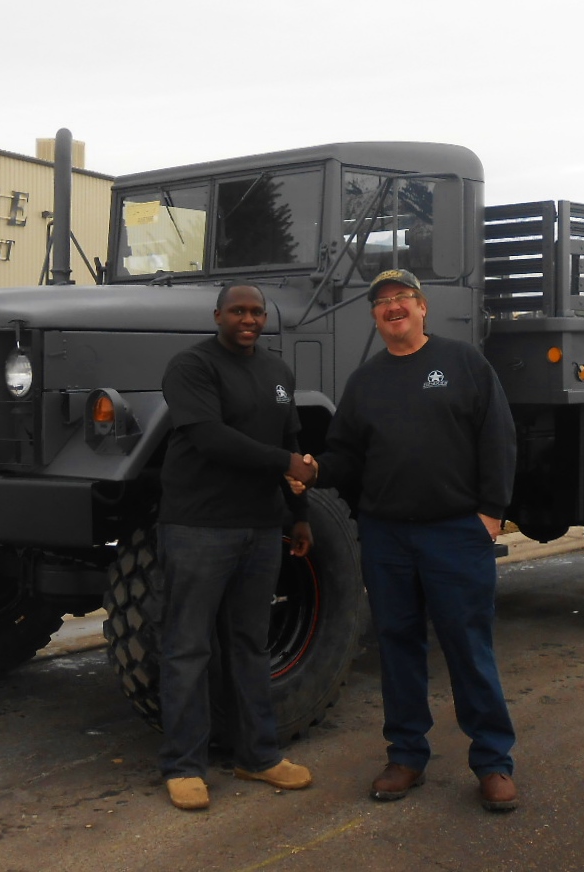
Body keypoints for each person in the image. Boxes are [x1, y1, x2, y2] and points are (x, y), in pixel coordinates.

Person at [301, 268, 521, 812]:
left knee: (469, 646)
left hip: (455, 535)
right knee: (398, 646)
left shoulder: (463, 362)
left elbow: (498, 436)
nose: (392, 307)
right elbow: (347, 456)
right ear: (374, 317)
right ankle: (406, 755)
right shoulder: (365, 381)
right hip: (387, 537)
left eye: (401, 298)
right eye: (381, 302)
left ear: (422, 307)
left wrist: (491, 513)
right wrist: (311, 470)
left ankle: (493, 762)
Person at [155, 283, 319, 811]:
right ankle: (184, 767)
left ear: (265, 318)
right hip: (199, 528)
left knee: (251, 645)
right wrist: (284, 464)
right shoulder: (191, 367)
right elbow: (208, 436)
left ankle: (259, 756)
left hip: (260, 530)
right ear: (218, 315)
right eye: (237, 311)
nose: (248, 319)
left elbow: (290, 442)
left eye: (256, 312)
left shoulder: (277, 373)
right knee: (188, 648)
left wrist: (299, 515)